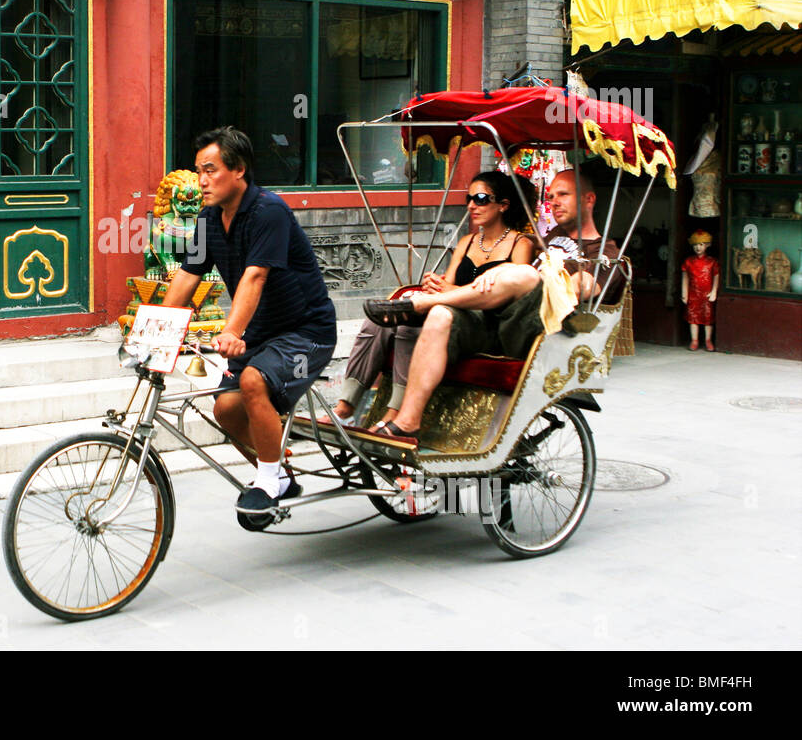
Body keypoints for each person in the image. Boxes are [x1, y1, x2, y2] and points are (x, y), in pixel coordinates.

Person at [363, 167, 621, 442]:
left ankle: (423, 304)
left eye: (564, 195)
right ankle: (408, 419)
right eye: (552, 195)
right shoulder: (545, 239)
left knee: (525, 274)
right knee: (440, 315)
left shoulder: (605, 252)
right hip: (490, 323)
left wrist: (512, 273)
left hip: (533, 330)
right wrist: (498, 271)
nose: (554, 201)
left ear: (588, 200)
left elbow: (583, 286)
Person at [162, 126, 338, 526]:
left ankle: (268, 479)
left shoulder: (269, 211)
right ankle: (281, 477)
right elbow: (188, 276)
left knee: (254, 381)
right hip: (262, 333)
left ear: (239, 169)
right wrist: (155, 331)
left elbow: (255, 276)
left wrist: (232, 331)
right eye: (198, 171)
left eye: (211, 170)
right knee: (225, 408)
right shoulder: (209, 218)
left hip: (306, 332)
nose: (201, 181)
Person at [324, 171, 536, 429]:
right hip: (452, 310)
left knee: (410, 323)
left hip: (486, 323)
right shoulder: (467, 242)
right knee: (381, 320)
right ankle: (345, 405)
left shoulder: (520, 244)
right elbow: (450, 283)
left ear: (503, 205)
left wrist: (446, 290)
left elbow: (511, 294)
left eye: (480, 199)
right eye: (469, 198)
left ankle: (395, 410)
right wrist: (435, 285)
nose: (471, 205)